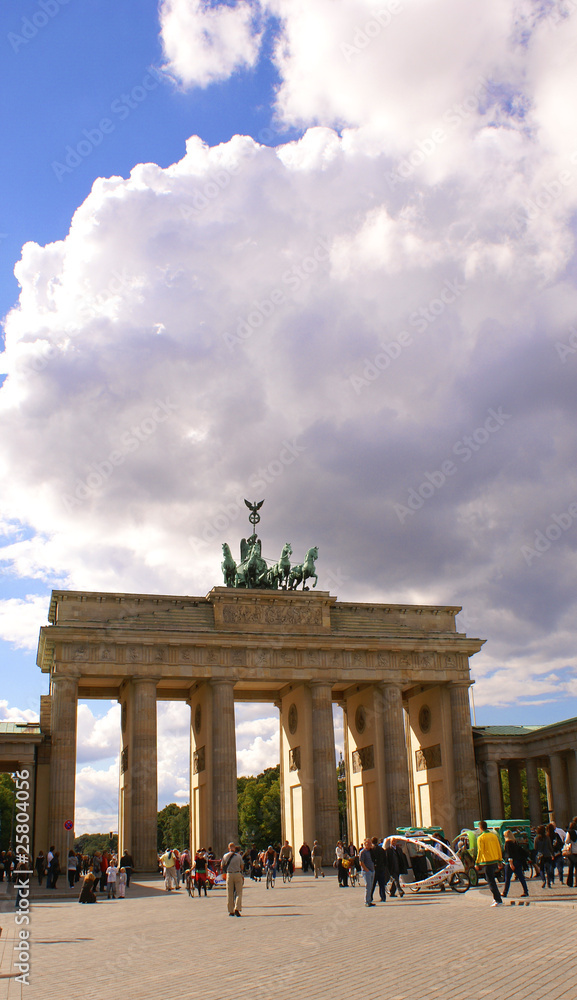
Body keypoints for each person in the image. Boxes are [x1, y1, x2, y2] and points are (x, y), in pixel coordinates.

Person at [475, 820, 503, 906]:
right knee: (492, 880)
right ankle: (497, 898)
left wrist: (477, 863)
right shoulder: (494, 836)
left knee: (490, 881)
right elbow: (499, 848)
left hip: (487, 861)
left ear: (480, 828)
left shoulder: (481, 837)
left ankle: (498, 899)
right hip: (495, 860)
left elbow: (480, 851)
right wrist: (499, 860)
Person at [501, 830, 529, 898]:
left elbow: (509, 854)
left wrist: (511, 863)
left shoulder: (507, 843)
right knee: (521, 877)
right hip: (518, 861)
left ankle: (505, 892)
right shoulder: (514, 842)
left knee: (507, 878)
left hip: (510, 862)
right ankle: (526, 891)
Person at [221, 842, 243, 916]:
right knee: (239, 892)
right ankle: (237, 908)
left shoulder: (225, 856)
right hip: (237, 874)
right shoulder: (239, 856)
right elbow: (242, 866)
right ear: (235, 848)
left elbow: (222, 866)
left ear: (228, 848)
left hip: (229, 874)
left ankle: (231, 911)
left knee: (229, 893)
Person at [370, 837, 388, 902]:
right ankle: (383, 897)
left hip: (374, 869)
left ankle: (370, 897)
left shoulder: (371, 850)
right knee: (382, 884)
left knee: (373, 884)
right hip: (381, 869)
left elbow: (371, 860)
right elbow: (385, 859)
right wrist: (384, 867)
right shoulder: (382, 849)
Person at [359, 837, 375, 907]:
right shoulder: (362, 852)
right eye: (367, 843)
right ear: (365, 844)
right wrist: (366, 870)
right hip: (367, 872)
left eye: (370, 843)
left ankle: (369, 900)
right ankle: (366, 901)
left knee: (371, 886)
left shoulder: (371, 851)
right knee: (368, 886)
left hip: (372, 871)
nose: (369, 844)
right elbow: (361, 862)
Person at [564, 821, 577, 887]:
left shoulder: (569, 832)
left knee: (571, 867)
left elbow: (567, 841)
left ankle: (570, 882)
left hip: (572, 852)